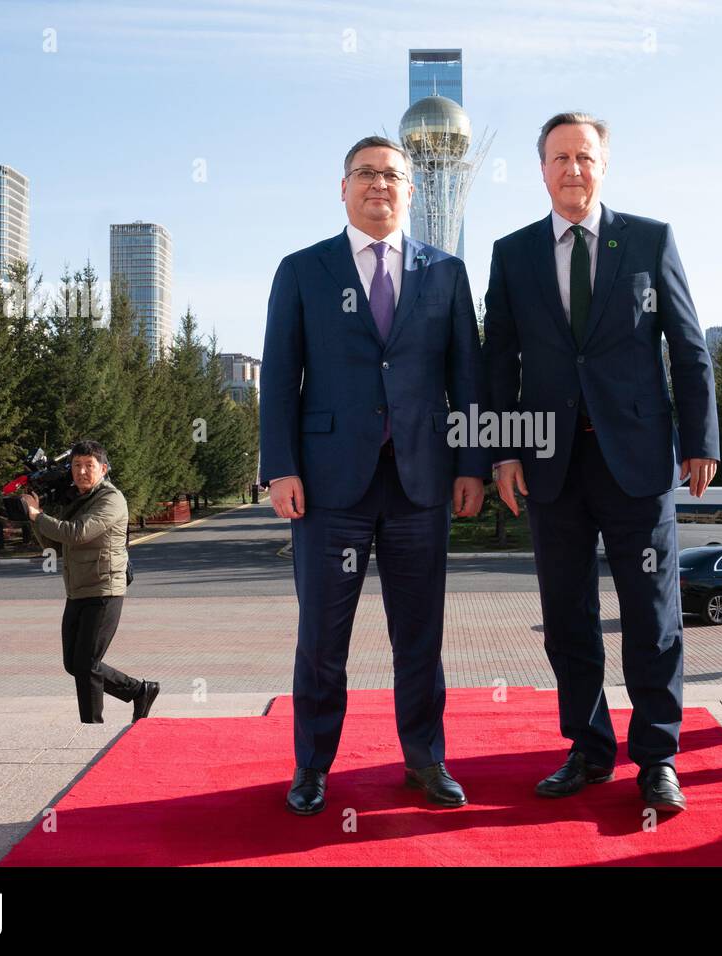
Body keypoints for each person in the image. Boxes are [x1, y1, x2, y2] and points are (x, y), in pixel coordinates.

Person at [482, 112, 720, 813]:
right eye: (559, 158)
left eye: (584, 157)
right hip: (549, 464)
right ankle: (587, 750)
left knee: (652, 613)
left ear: (604, 164)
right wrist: (501, 449)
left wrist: (701, 439)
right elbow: (501, 359)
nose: (573, 169)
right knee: (567, 616)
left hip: (638, 461)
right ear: (542, 168)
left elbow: (688, 343)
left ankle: (657, 758)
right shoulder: (514, 253)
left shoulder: (649, 240)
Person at [259, 135, 490, 816]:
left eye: (392, 175)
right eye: (366, 173)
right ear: (343, 187)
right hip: (330, 487)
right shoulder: (302, 270)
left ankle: (426, 761)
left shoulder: (446, 273)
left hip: (422, 483)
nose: (379, 184)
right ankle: (311, 767)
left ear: (412, 192)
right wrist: (280, 468)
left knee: (419, 636)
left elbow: (467, 376)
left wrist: (473, 462)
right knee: (322, 639)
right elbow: (279, 377)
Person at [22, 440, 159, 724]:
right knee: (73, 663)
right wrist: (34, 519)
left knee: (86, 664)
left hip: (104, 589)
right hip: (77, 590)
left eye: (89, 466)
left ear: (103, 469)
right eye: (76, 466)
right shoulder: (78, 500)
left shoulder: (111, 499)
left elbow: (77, 533)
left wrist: (38, 515)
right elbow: (56, 543)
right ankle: (138, 690)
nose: (82, 472)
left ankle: (91, 725)